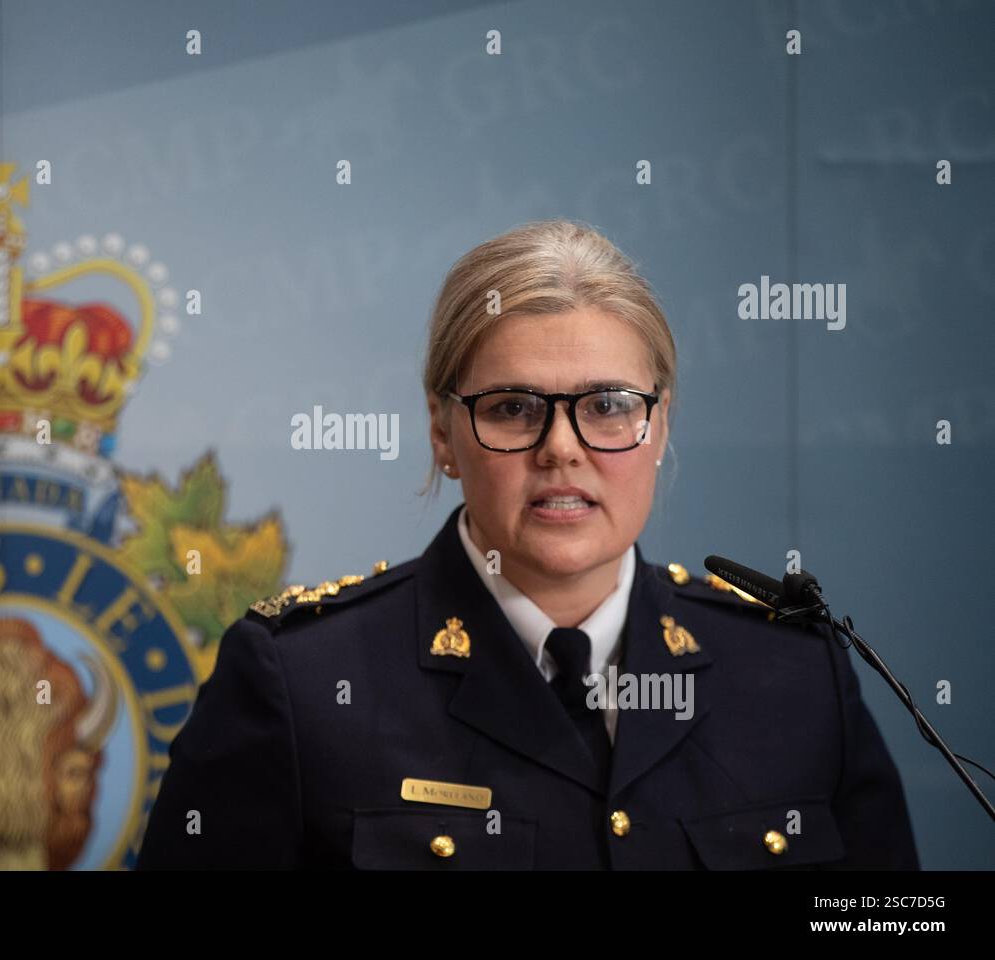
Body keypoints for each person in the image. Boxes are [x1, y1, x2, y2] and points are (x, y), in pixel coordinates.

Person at [136, 219, 919, 870]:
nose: (563, 449)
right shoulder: (299, 684)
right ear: (443, 433)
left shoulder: (792, 674)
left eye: (608, 406)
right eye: (514, 408)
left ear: (660, 426)